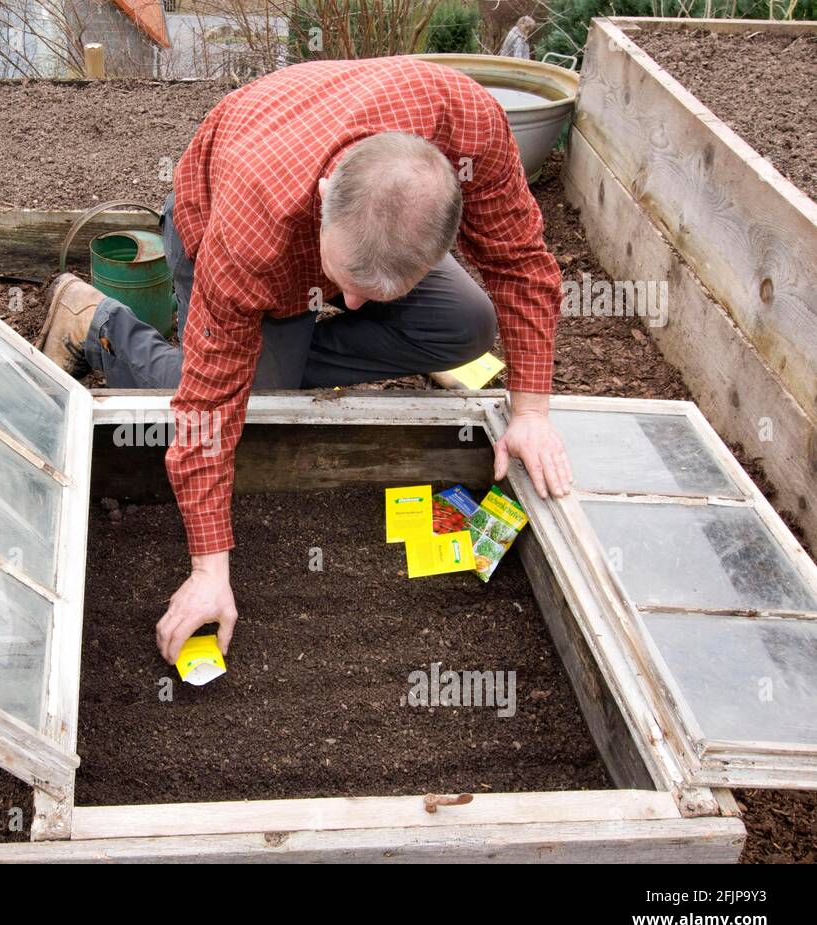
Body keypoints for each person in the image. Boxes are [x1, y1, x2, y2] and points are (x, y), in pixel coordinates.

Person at [37, 57, 573, 665]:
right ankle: (97, 323)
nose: (347, 307)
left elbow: (522, 265)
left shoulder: (471, 124)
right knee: (253, 399)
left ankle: (278, 357)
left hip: (359, 221)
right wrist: (210, 570)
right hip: (220, 222)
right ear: (323, 197)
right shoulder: (251, 223)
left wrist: (530, 410)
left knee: (467, 325)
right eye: (347, 285)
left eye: (372, 298)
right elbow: (209, 406)